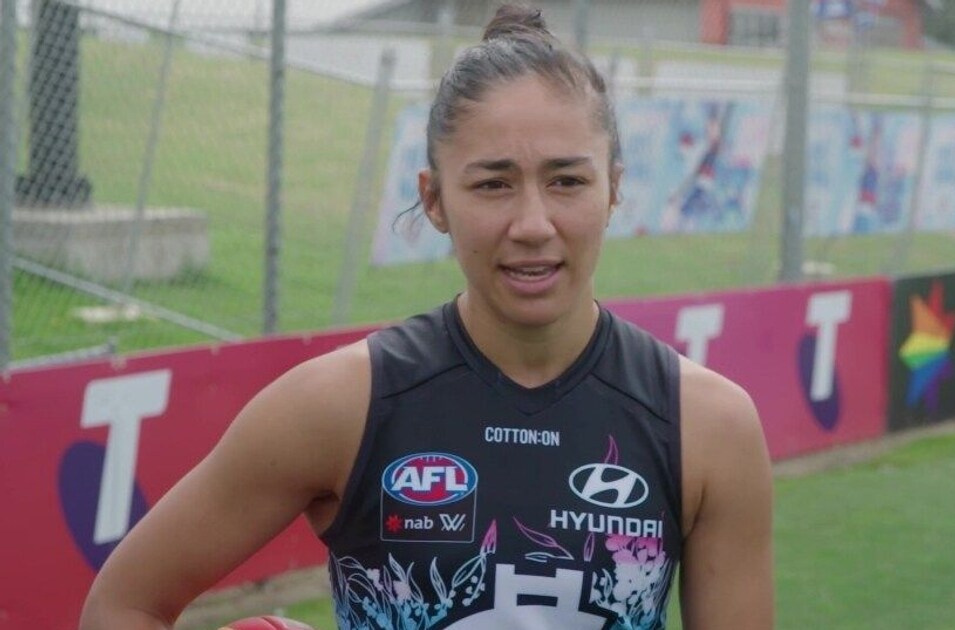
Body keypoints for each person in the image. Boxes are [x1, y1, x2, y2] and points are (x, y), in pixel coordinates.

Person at [80, 5, 773, 629]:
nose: (533, 223)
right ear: (435, 199)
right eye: (493, 184)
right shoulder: (339, 405)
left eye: (567, 180)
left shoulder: (708, 426)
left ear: (615, 187)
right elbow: (122, 605)